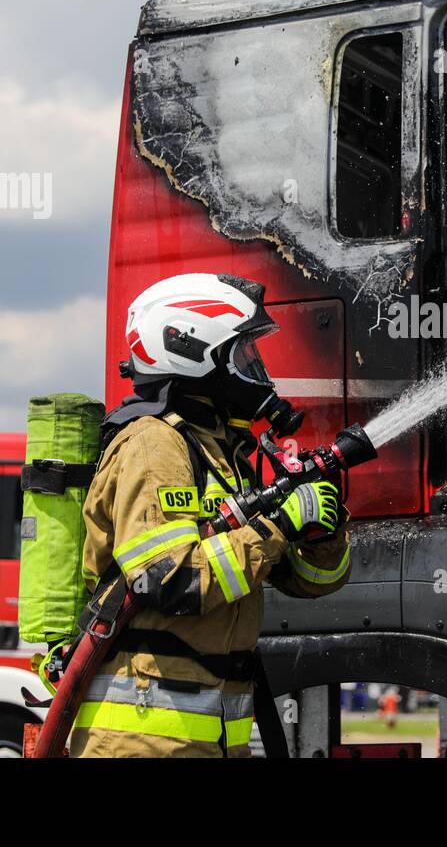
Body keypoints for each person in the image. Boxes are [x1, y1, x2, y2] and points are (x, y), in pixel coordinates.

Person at [71, 272, 351, 757]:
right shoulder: (155, 444)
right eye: (242, 353)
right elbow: (168, 581)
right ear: (191, 347)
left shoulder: (221, 453)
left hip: (204, 738)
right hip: (144, 740)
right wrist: (278, 525)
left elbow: (312, 579)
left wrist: (318, 530)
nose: (255, 368)